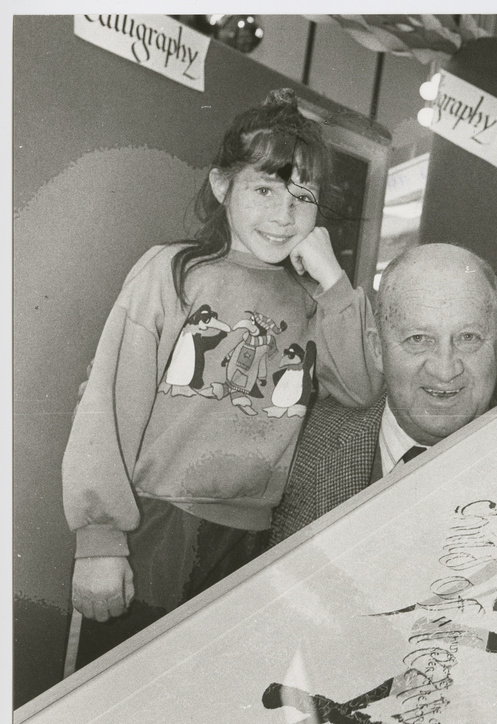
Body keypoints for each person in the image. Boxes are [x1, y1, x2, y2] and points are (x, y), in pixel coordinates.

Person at [63, 89, 384, 667]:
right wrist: (99, 540)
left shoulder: (314, 299)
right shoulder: (173, 270)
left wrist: (336, 281)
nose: (284, 215)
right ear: (221, 186)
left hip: (250, 540)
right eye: (264, 189)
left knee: (198, 717)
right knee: (116, 707)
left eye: (302, 197)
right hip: (157, 526)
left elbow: (361, 388)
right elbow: (104, 410)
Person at [270, 243, 497, 543]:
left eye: (468, 337)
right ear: (377, 349)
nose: (445, 369)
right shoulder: (300, 444)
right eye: (418, 339)